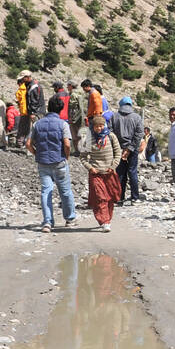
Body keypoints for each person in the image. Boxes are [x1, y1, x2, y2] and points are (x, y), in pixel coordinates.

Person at [27, 94, 77, 232]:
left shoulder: (38, 124)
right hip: (59, 161)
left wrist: (36, 153)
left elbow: (28, 144)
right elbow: (67, 144)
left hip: (43, 162)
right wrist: (66, 157)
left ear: (48, 108)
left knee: (46, 191)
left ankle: (48, 222)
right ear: (61, 109)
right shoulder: (63, 124)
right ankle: (70, 218)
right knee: (65, 191)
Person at [79, 114, 122, 232]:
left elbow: (118, 153)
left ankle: (107, 218)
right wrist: (90, 168)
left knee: (110, 197)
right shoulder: (88, 139)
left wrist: (113, 167)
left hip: (109, 173)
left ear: (105, 125)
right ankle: (104, 221)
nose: (99, 128)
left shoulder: (111, 137)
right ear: (93, 127)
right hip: (96, 174)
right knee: (100, 197)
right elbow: (82, 157)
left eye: (101, 126)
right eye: (96, 126)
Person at [111, 96, 145, 205]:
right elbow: (139, 134)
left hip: (118, 149)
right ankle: (135, 197)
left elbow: (110, 132)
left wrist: (120, 147)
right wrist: (130, 148)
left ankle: (120, 198)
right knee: (132, 172)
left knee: (120, 173)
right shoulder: (137, 117)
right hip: (133, 149)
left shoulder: (114, 116)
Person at [14, 71, 31, 148]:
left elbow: (20, 101)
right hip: (27, 111)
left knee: (22, 128)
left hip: (23, 111)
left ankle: (20, 143)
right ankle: (23, 143)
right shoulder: (27, 89)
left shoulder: (19, 91)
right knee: (27, 128)